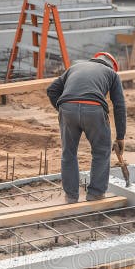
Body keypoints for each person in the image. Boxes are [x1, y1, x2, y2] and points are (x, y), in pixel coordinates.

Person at [46, 52, 126, 203]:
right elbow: (119, 106)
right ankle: (95, 194)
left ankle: (70, 197)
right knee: (101, 152)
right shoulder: (112, 74)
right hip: (94, 110)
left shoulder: (74, 67)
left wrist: (64, 110)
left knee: (68, 153)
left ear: (94, 59)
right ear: (113, 67)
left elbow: (51, 90)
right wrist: (120, 137)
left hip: (67, 108)